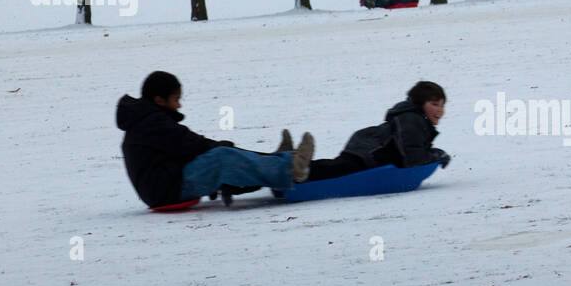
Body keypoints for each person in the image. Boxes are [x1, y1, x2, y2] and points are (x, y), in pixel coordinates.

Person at [117, 71, 314, 208]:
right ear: (159, 100)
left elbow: (186, 146)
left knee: (224, 157)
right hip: (167, 191)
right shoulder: (152, 123)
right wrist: (221, 147)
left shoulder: (146, 120)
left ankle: (279, 160)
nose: (178, 105)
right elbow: (191, 144)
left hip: (167, 185)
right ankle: (290, 167)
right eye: (176, 99)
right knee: (222, 158)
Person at [301, 81, 451, 182]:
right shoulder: (412, 120)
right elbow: (414, 159)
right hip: (369, 153)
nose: (440, 110)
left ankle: (294, 164)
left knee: (337, 168)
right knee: (338, 171)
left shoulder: (415, 120)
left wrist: (433, 154)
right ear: (419, 104)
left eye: (442, 105)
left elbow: (412, 150)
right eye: (434, 104)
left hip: (369, 150)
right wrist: (437, 155)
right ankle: (295, 170)